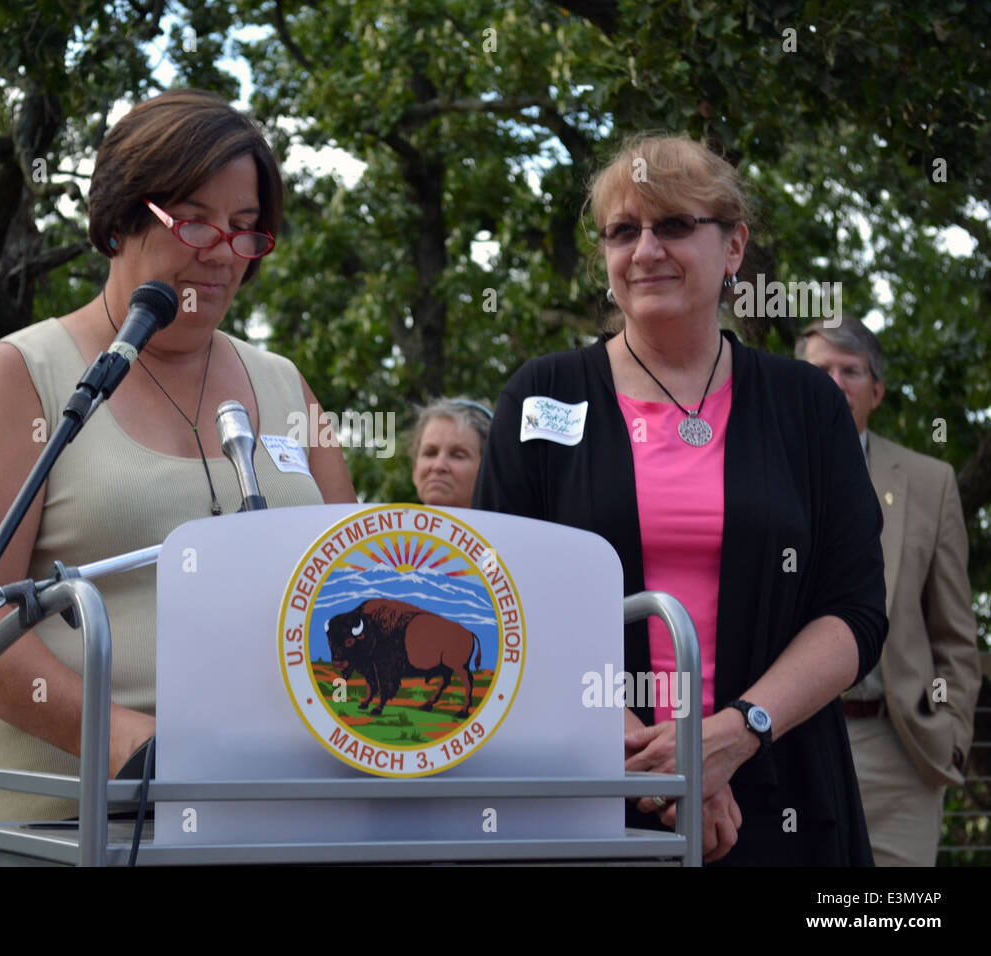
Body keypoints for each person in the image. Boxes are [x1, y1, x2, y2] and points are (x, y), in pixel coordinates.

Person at [0, 89, 356, 822]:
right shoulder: (19, 378)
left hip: (274, 808)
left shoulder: (285, 385)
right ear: (120, 217)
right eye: (195, 222)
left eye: (246, 229)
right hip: (83, 819)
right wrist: (128, 743)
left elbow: (355, 581)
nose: (223, 253)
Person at [473, 134, 887, 865]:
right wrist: (659, 762)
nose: (645, 251)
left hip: (781, 789)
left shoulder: (806, 405)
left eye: (672, 226)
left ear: (733, 248)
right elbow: (496, 595)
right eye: (623, 231)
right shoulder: (541, 395)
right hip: (592, 787)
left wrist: (732, 734)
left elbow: (853, 610)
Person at [797, 316, 981, 866]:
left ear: (876, 391)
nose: (835, 383)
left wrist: (950, 731)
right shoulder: (755, 474)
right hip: (788, 741)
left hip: (897, 746)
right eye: (820, 370)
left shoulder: (930, 482)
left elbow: (954, 632)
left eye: (850, 371)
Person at [408, 398, 493, 508]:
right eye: (430, 453)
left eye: (458, 456)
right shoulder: (391, 524)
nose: (438, 466)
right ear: (415, 470)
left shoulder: (513, 524)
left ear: (487, 472)